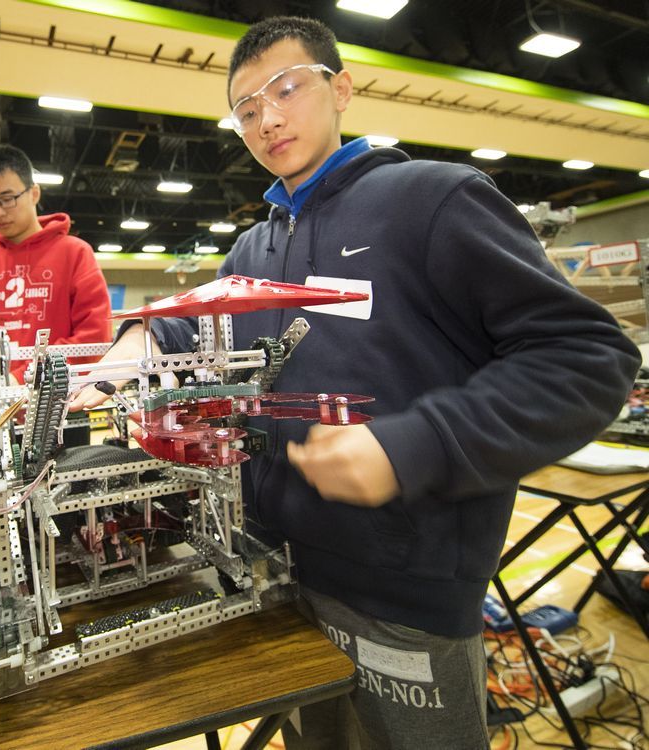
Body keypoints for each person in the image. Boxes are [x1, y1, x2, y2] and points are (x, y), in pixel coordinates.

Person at [71, 16, 640, 749]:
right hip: (277, 572)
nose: (268, 117)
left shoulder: (433, 200)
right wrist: (138, 341)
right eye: (246, 110)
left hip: (402, 594)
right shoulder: (253, 245)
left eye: (286, 89)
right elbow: (195, 328)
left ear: (341, 88)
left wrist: (412, 448)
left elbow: (589, 357)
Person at [0, 144, 111, 382]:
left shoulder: (74, 254)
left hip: (63, 407)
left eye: (7, 199)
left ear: (34, 193)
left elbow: (93, 340)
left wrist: (21, 378)